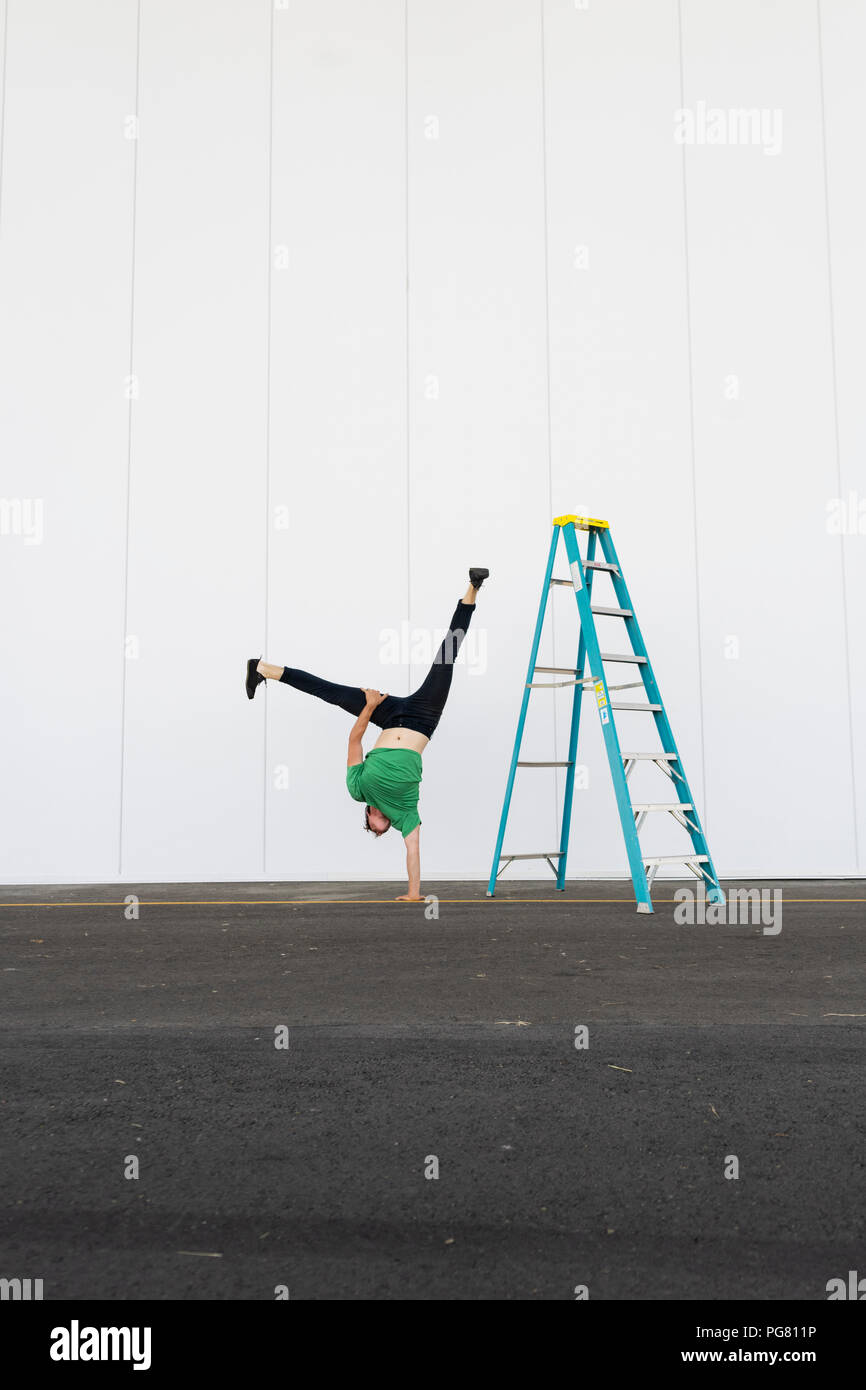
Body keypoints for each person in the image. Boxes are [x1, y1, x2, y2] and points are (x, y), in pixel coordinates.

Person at [246, 569, 489, 903]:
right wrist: (414, 894)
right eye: (385, 826)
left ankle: (264, 669)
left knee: (329, 692)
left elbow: (354, 743)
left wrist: (370, 706)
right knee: (447, 657)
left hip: (386, 716)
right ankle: (474, 587)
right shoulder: (406, 814)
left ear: (369, 814)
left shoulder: (357, 789)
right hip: (423, 718)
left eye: (378, 824)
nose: (384, 821)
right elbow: (413, 851)